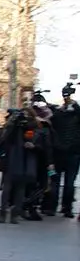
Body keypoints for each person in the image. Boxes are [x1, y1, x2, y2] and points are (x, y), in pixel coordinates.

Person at [0, 106, 45, 224]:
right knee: (7, 188)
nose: (24, 118)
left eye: (27, 115)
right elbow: (4, 139)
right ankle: (3, 212)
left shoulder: (35, 127)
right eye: (22, 115)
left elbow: (42, 143)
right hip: (12, 159)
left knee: (20, 188)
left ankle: (15, 213)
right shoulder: (12, 126)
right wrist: (13, 124)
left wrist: (34, 146)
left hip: (26, 160)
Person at [44, 83, 79, 218]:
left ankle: (52, 207)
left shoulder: (58, 115)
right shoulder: (75, 115)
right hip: (72, 153)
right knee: (69, 182)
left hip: (60, 152)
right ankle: (66, 208)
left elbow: (49, 118)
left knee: (55, 181)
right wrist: (71, 102)